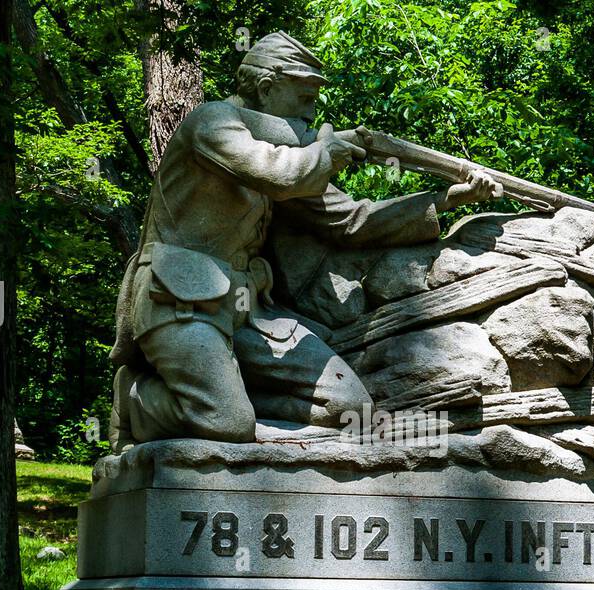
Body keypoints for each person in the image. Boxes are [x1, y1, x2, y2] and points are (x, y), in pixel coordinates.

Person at [109, 31, 497, 450]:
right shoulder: (213, 122)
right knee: (224, 424)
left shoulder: (295, 157)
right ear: (265, 88)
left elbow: (350, 221)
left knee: (352, 411)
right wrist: (328, 151)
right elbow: (278, 174)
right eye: (305, 98)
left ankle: (235, 402)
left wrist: (446, 198)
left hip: (248, 309)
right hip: (180, 298)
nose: (313, 113)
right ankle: (135, 399)